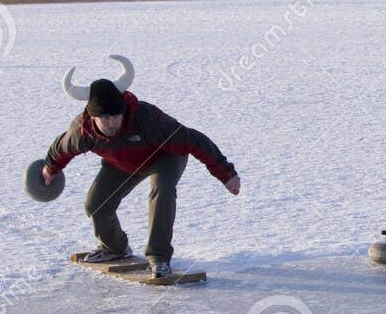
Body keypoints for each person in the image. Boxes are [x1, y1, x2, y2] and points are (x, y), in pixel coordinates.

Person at [43, 77, 240, 278]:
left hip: (164, 157)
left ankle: (159, 257)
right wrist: (51, 168)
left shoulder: (147, 120)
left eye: (116, 116)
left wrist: (226, 174)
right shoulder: (82, 132)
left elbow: (195, 140)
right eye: (105, 118)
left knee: (161, 191)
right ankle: (115, 248)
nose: (112, 123)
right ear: (93, 118)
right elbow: (62, 148)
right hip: (121, 163)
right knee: (95, 204)